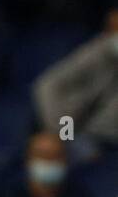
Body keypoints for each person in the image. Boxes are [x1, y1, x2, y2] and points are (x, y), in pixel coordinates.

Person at [33, 8, 118, 151]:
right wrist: (65, 133)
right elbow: (47, 86)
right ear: (108, 34)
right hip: (87, 136)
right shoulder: (94, 54)